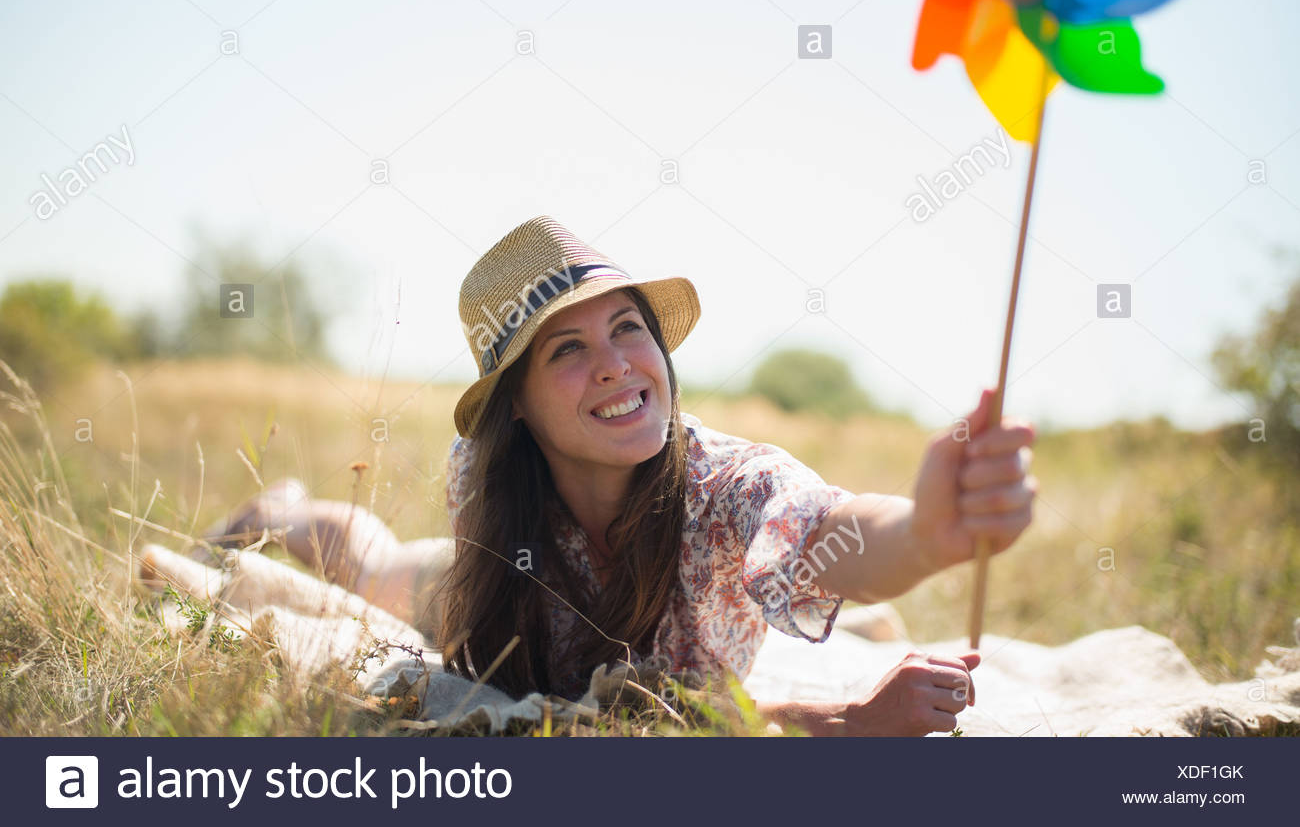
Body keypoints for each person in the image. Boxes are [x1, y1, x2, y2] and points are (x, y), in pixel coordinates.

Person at [185, 214, 1038, 736]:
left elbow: (833, 533)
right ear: (514, 404)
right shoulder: (484, 473)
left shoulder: (727, 484)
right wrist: (831, 721)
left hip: (655, 652)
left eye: (629, 329)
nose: (614, 365)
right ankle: (286, 510)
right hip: (483, 592)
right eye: (567, 349)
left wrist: (927, 536)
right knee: (371, 572)